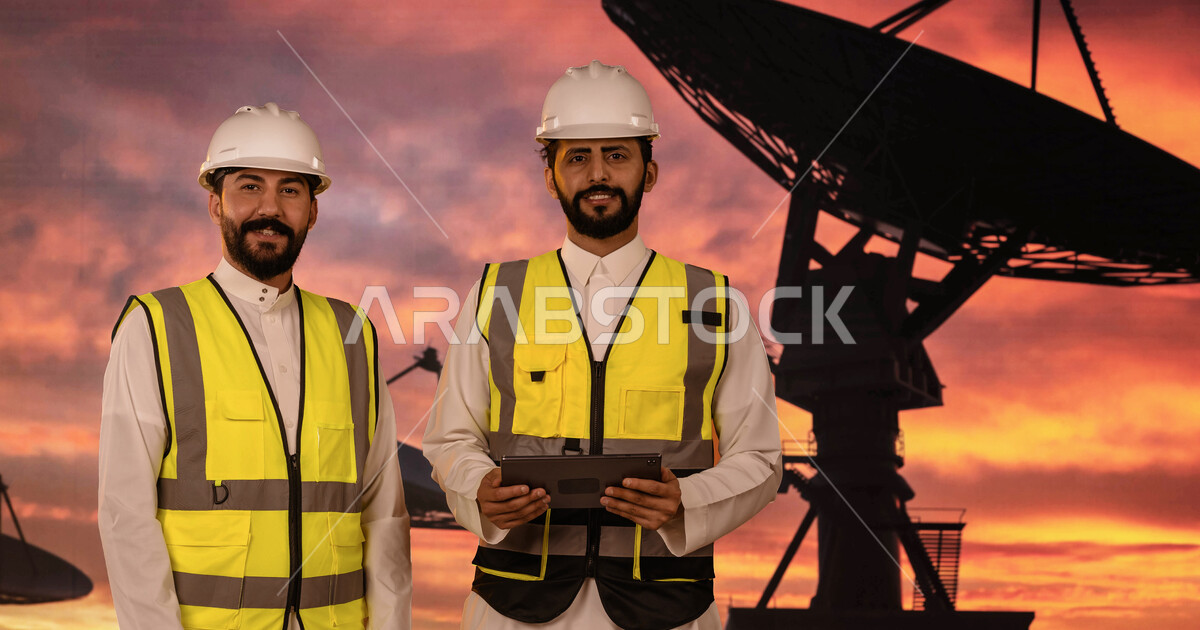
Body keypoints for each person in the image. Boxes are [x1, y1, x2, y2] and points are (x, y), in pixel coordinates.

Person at [423, 61, 783, 629]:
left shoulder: (715, 303)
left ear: (650, 171)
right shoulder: (496, 294)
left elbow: (761, 458)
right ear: (551, 178)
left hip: (667, 605)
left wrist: (688, 502)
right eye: (576, 157)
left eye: (616, 154)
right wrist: (479, 489)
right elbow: (450, 438)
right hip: (512, 606)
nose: (598, 174)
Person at [99, 103, 412, 630]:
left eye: (290, 190)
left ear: (312, 210)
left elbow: (385, 517)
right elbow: (125, 516)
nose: (270, 207)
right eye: (249, 186)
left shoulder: (352, 334)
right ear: (215, 204)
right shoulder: (156, 327)